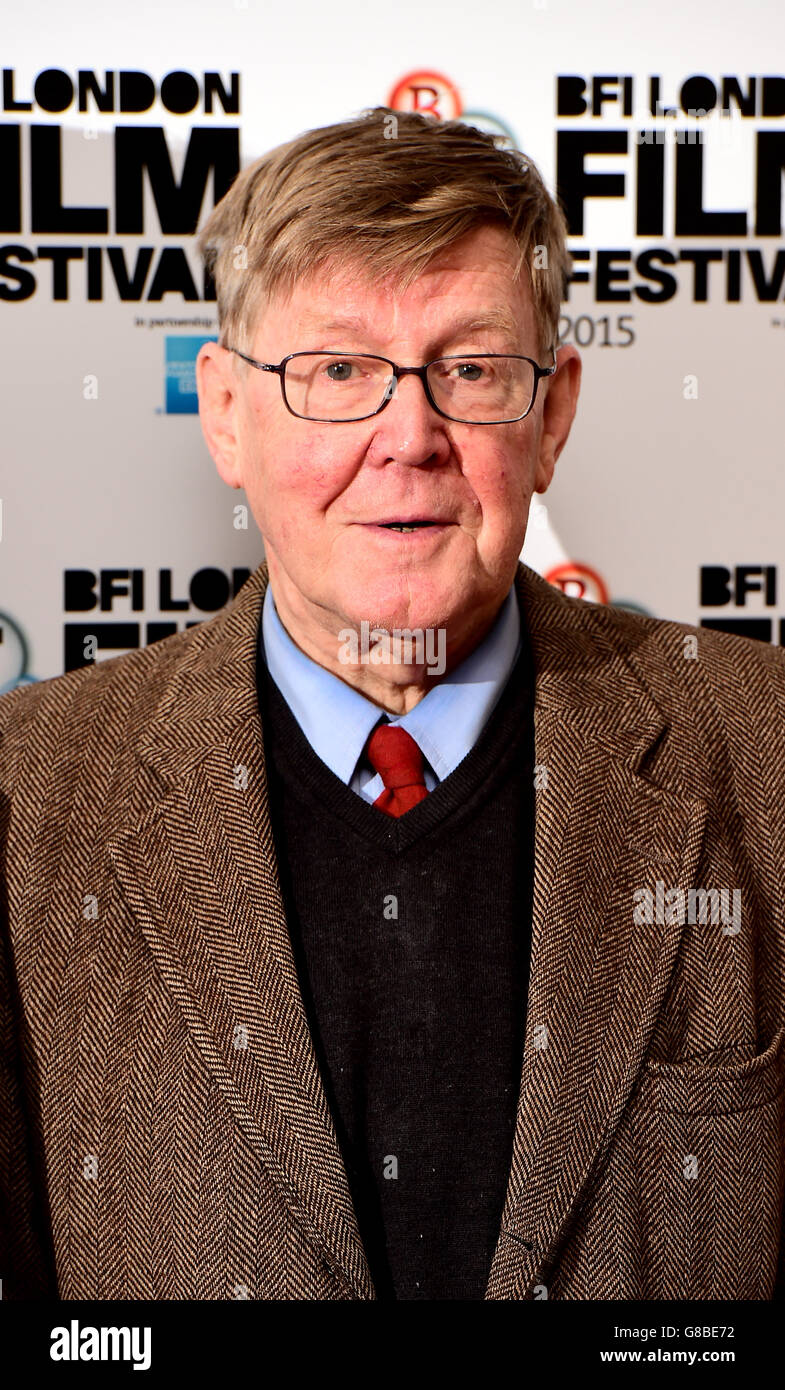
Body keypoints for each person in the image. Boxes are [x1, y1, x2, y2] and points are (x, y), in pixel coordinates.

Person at [1, 106, 783, 1302]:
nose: (407, 434)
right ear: (223, 412)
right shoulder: (25, 796)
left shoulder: (763, 751)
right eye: (337, 372)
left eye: (469, 370)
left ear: (552, 413)